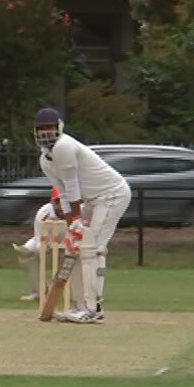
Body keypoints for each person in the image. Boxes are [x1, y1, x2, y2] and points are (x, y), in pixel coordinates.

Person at [34, 107, 132, 324]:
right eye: (41, 128)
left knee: (92, 248)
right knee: (76, 248)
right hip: (91, 201)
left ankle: (94, 309)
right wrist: (72, 224)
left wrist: (77, 221)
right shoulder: (45, 160)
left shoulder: (65, 146)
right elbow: (63, 194)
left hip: (112, 195)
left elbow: (72, 185)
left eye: (50, 127)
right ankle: (82, 306)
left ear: (59, 127)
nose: (46, 132)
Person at [12, 187, 67, 302]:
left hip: (70, 245)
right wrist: (48, 247)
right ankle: (39, 291)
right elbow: (39, 239)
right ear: (52, 201)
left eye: (64, 201)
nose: (61, 206)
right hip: (46, 244)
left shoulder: (77, 210)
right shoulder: (44, 213)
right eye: (58, 201)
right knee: (25, 252)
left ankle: (82, 294)